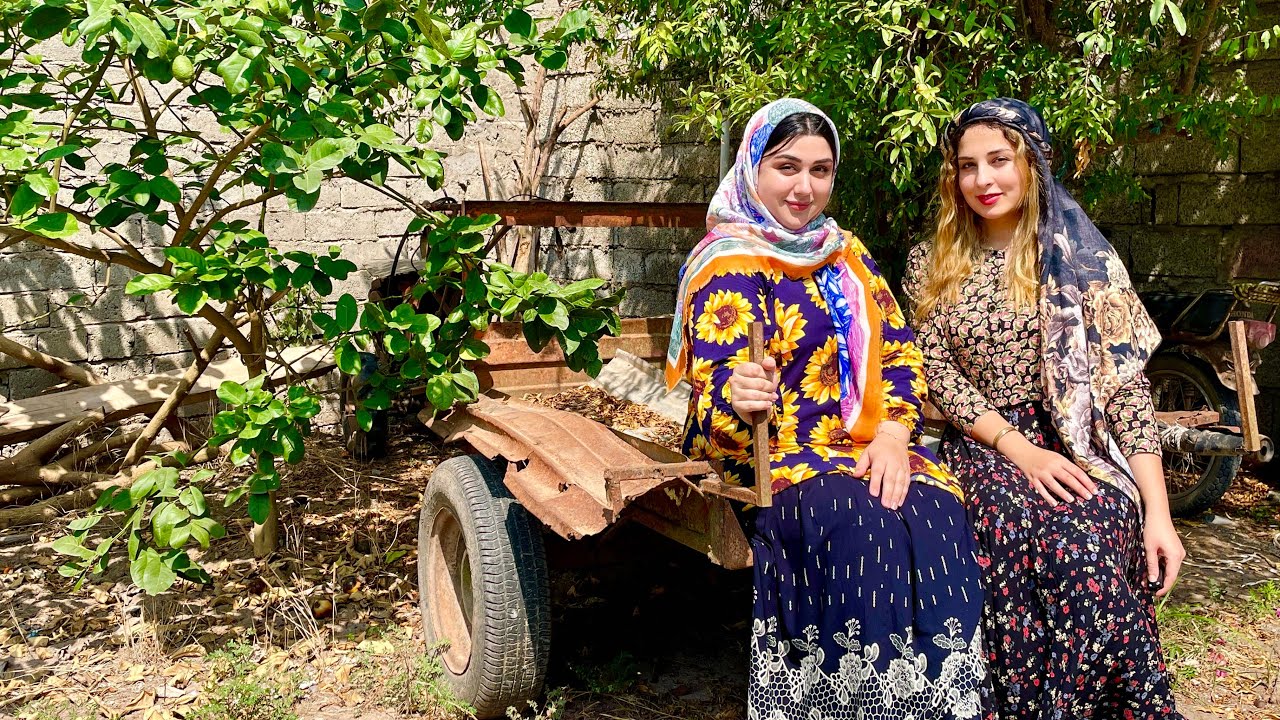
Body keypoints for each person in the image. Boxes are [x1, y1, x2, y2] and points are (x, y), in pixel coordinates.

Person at [666, 98, 989, 720]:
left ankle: (938, 708)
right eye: (787, 167)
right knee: (860, 526)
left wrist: (895, 436)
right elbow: (716, 402)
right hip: (770, 455)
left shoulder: (847, 253)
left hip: (864, 446)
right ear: (753, 169)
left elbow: (899, 352)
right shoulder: (728, 261)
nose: (803, 187)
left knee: (935, 515)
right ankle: (847, 705)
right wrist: (741, 396)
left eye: (820, 170)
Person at [901, 98, 1185, 718]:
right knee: (1038, 535)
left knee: (1095, 527)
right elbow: (935, 375)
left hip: (1077, 441)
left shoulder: (1083, 262)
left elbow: (1124, 390)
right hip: (981, 445)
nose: (983, 180)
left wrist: (1158, 515)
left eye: (999, 160)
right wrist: (1020, 450)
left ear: (1032, 165)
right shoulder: (931, 264)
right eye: (967, 165)